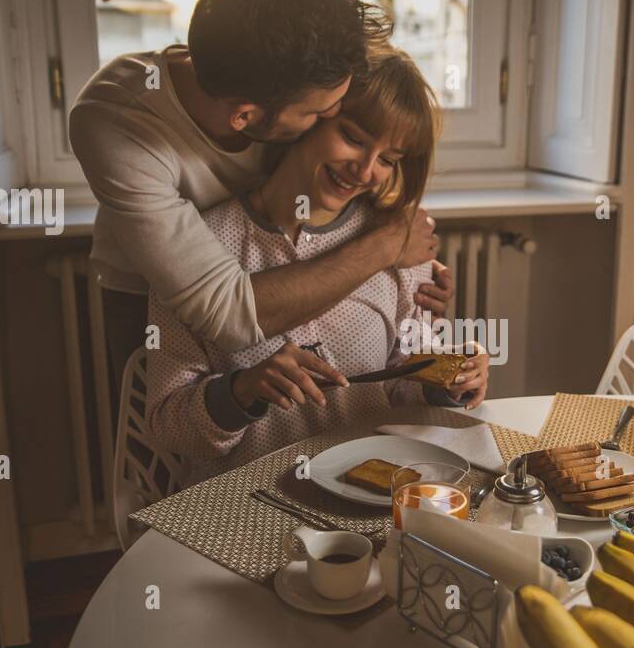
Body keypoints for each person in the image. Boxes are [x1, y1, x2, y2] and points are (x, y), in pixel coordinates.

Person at [69, 0, 454, 399]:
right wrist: (385, 248)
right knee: (167, 443)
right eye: (318, 113)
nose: (332, 112)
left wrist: (405, 278)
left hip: (272, 257)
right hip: (156, 291)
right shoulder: (116, 121)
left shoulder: (278, 52)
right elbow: (230, 316)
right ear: (245, 117)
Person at [145, 49, 489, 486]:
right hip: (242, 504)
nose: (365, 170)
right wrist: (241, 391)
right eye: (353, 137)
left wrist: (452, 374)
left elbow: (406, 386)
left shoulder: (402, 247)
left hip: (366, 500)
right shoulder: (196, 248)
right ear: (308, 118)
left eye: (388, 159)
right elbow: (167, 424)